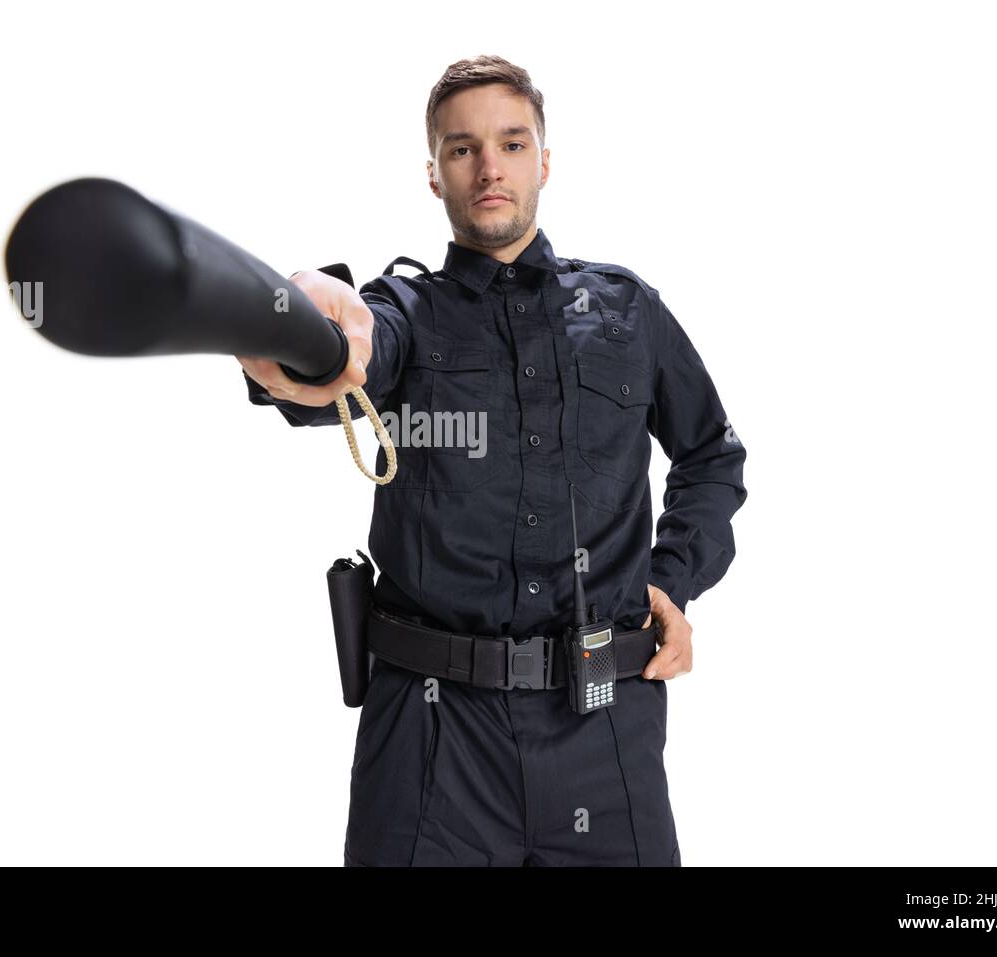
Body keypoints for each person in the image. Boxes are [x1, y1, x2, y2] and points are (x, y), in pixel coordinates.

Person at [237, 55, 747, 866]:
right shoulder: (403, 312)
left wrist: (671, 577)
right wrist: (297, 325)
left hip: (606, 725)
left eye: (511, 143)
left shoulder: (626, 312)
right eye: (462, 148)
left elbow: (712, 456)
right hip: (432, 740)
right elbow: (345, 351)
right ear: (434, 174)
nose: (489, 167)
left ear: (544, 159)